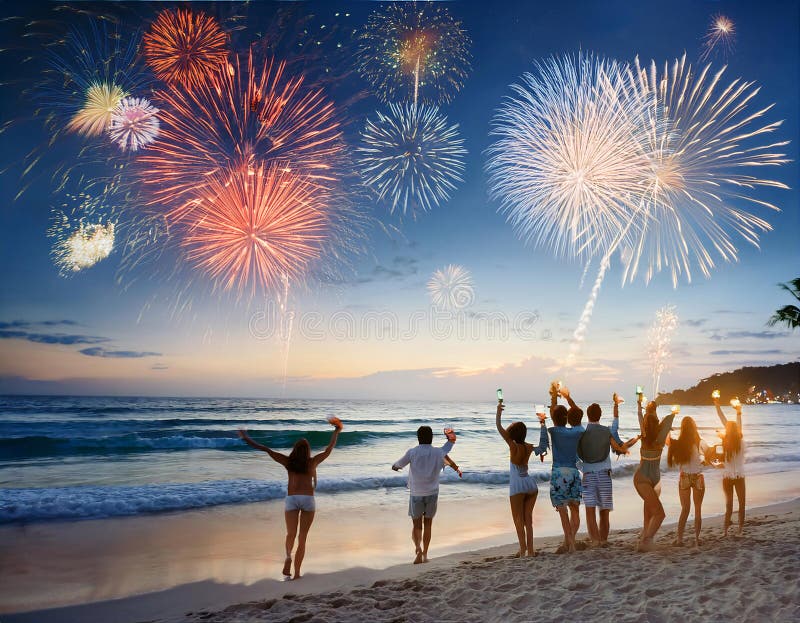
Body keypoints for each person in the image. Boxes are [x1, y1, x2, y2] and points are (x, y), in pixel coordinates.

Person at [238, 418, 343, 579]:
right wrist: (336, 431)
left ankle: (288, 556)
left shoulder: (288, 462)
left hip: (292, 499)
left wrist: (246, 438)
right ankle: (297, 573)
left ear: (295, 449)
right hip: (308, 499)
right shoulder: (312, 462)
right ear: (307, 450)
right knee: (302, 538)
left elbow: (265, 449)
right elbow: (329, 449)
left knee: (290, 534)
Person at [576, 393, 636, 547]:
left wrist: (582, 467)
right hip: (604, 475)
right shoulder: (606, 431)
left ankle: (595, 541)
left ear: (588, 416)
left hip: (588, 476)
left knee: (590, 512)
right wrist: (629, 445)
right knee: (604, 511)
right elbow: (618, 448)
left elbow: (576, 455)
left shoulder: (581, 434)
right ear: (600, 415)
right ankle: (603, 540)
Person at [392, 425, 456, 564]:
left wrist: (395, 467)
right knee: (428, 525)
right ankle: (425, 555)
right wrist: (449, 432)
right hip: (432, 493)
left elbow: (397, 465)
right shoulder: (439, 452)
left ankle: (418, 549)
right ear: (431, 437)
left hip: (416, 494)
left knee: (417, 526)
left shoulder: (412, 452)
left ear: (418, 438)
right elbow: (451, 441)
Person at [495, 399, 549, 557]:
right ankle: (530, 550)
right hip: (530, 484)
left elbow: (499, 427)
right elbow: (543, 446)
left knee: (518, 520)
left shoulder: (513, 446)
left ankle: (523, 549)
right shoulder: (529, 447)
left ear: (512, 434)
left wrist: (498, 412)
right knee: (528, 520)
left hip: (517, 486)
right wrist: (543, 423)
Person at [633, 395, 676, 551]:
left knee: (649, 511)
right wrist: (672, 414)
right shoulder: (660, 437)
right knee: (659, 513)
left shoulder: (644, 435)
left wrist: (640, 405)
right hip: (647, 479)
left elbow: (640, 417)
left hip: (645, 477)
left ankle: (645, 536)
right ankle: (647, 541)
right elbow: (668, 420)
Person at [548, 383, 584, 553]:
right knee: (574, 509)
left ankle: (570, 544)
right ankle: (571, 541)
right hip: (574, 473)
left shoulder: (554, 431)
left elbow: (553, 412)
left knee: (563, 512)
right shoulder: (577, 431)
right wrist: (568, 397)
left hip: (559, 473)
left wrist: (554, 396)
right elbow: (577, 413)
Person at [667, 416, 709, 547]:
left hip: (684, 477)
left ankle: (679, 539)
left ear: (683, 428)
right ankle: (697, 539)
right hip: (698, 477)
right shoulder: (700, 442)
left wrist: (667, 426)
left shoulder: (679, 444)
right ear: (694, 427)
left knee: (685, 509)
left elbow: (666, 441)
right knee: (698, 509)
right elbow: (708, 455)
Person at [714, 396, 746, 537]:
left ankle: (726, 532)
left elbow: (723, 419)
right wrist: (738, 412)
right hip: (739, 475)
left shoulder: (726, 441)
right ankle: (740, 530)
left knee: (729, 505)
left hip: (727, 476)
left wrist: (717, 405)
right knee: (741, 503)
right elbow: (736, 423)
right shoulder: (739, 439)